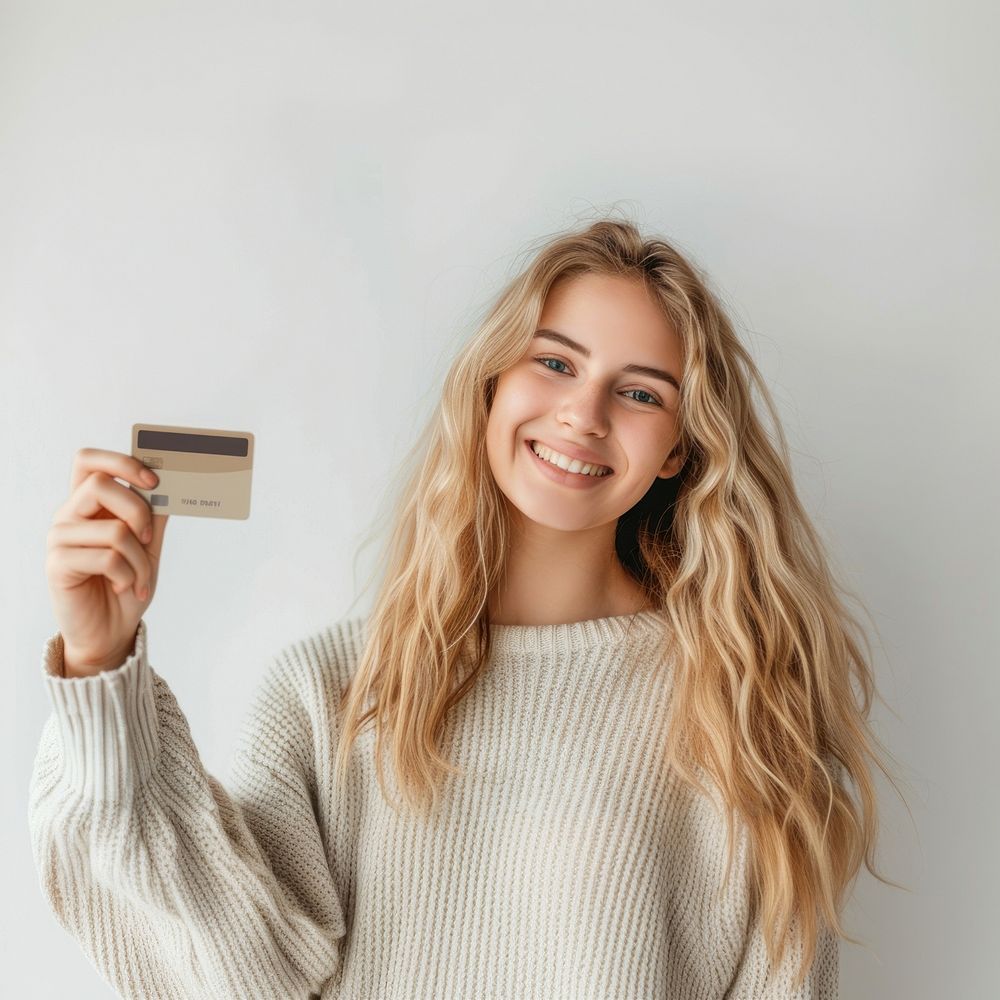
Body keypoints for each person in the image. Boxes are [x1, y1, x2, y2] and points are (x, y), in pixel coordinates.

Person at [30, 215, 900, 999]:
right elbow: (232, 972)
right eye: (554, 362)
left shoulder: (742, 715)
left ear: (679, 450)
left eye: (640, 392)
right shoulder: (334, 690)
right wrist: (101, 664)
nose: (583, 414)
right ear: (492, 387)